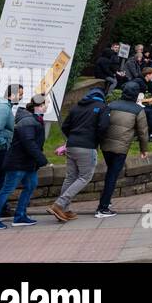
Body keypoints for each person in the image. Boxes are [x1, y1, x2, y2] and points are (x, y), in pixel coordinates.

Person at [0, 94, 48, 229]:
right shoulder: (28, 121)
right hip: (18, 163)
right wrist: (41, 158)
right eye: (46, 103)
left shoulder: (34, 119)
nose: (47, 106)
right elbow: (28, 143)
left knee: (31, 185)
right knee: (7, 190)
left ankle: (20, 216)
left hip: (28, 163)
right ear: (39, 106)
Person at [49, 87, 108, 222]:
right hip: (87, 147)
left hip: (71, 145)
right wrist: (96, 140)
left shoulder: (76, 107)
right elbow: (103, 127)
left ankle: (64, 209)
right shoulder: (102, 107)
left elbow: (65, 126)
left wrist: (73, 137)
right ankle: (59, 204)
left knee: (70, 177)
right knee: (84, 177)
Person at [94, 83, 150, 218]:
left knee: (111, 173)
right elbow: (143, 132)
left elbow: (102, 123)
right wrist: (144, 149)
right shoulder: (138, 110)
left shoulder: (111, 105)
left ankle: (106, 200)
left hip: (105, 145)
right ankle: (103, 208)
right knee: (112, 176)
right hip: (121, 148)